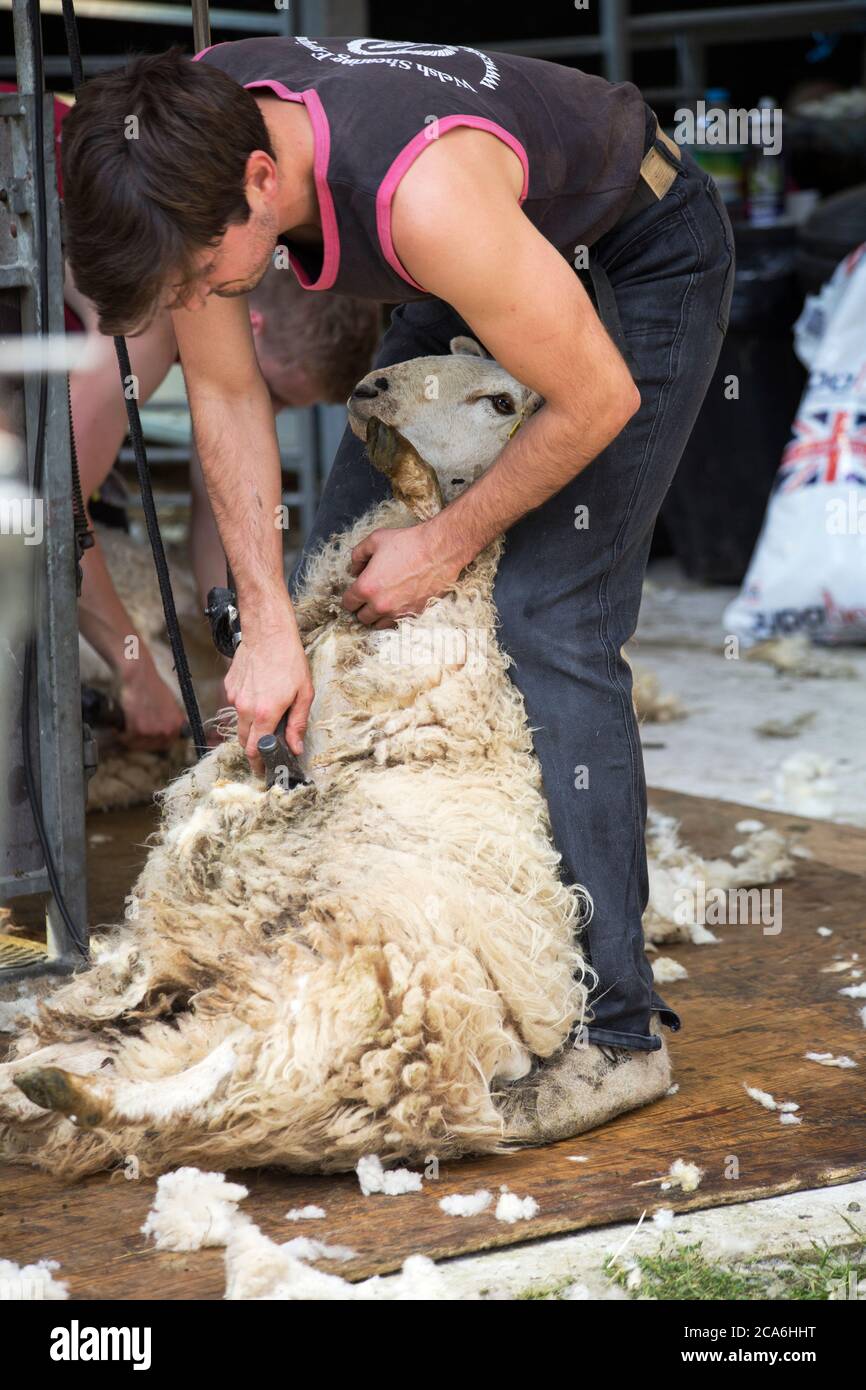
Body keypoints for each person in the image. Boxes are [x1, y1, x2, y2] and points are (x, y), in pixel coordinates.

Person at [59, 38, 735, 1141]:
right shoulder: (188, 153)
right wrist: (267, 626)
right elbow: (229, 401)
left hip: (630, 251)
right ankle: (339, 937)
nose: (194, 301)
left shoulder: (420, 195)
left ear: (262, 188)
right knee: (333, 575)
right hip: (475, 265)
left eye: (198, 280)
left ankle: (617, 1035)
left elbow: (594, 400)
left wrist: (447, 538)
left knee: (545, 619)